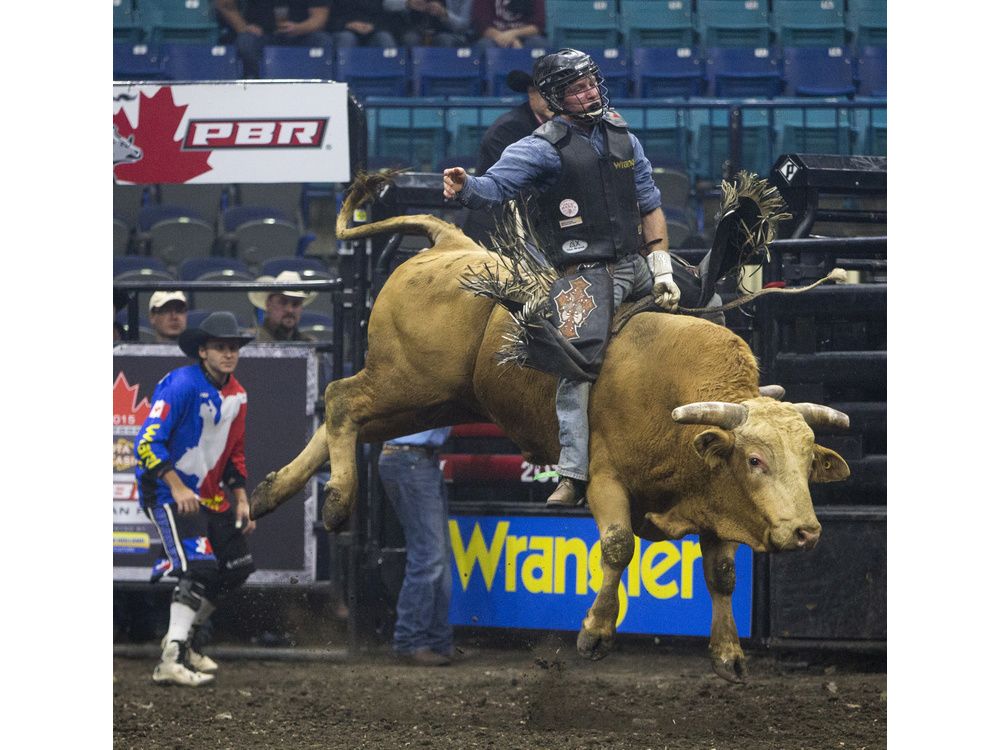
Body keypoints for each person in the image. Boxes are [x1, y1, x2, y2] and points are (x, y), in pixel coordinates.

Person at [442, 49, 680, 508]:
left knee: (705, 305)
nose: (588, 92)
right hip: (583, 275)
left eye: (591, 82)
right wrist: (466, 185)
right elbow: (495, 187)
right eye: (576, 88)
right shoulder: (539, 147)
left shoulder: (623, 135)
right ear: (555, 97)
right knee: (576, 360)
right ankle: (572, 472)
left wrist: (662, 266)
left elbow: (649, 203)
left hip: (635, 263)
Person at [134, 311, 257, 686]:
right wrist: (176, 486)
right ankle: (172, 658)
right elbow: (146, 443)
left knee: (236, 567)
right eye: (220, 347)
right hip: (167, 491)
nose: (228, 354)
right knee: (199, 568)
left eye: (233, 347)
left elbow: (234, 452)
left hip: (209, 494)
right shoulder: (180, 384)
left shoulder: (238, 395)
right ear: (202, 351)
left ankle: (182, 641)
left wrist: (240, 498)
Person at [379, 428, 454, 665]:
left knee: (435, 555)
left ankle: (437, 641)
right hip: (410, 458)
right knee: (429, 555)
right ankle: (410, 642)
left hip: (415, 458)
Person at [462, 68, 553, 246]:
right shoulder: (509, 129)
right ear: (531, 94)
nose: (553, 100)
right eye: (546, 94)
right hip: (497, 228)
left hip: (531, 224)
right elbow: (520, 187)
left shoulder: (560, 125)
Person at [214, 0, 333, 79]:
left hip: (301, 35)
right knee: (245, 41)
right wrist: (243, 27)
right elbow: (224, 4)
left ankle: (319, 84)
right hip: (262, 36)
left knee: (323, 40)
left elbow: (319, 17)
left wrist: (299, 28)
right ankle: (255, 84)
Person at [248, 270, 318, 342]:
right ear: (268, 304)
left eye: (296, 304)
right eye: (282, 302)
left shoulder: (309, 343)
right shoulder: (251, 341)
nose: (290, 310)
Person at [382, 0, 472, 47]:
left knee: (444, 40)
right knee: (410, 38)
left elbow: (464, 26)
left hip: (446, 32)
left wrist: (444, 14)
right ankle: (413, 79)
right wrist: (407, 3)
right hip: (412, 29)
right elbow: (387, 4)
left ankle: (441, 79)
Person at [471, 0, 546, 50]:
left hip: (524, 36)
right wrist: (507, 39)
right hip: (494, 36)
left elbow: (538, 25)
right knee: (485, 45)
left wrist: (513, 34)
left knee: (539, 44)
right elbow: (481, 24)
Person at [328, 0, 398, 48]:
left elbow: (386, 16)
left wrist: (373, 27)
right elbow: (326, 16)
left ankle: (392, 69)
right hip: (343, 29)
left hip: (373, 30)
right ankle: (343, 69)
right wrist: (347, 25)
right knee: (346, 38)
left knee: (384, 38)